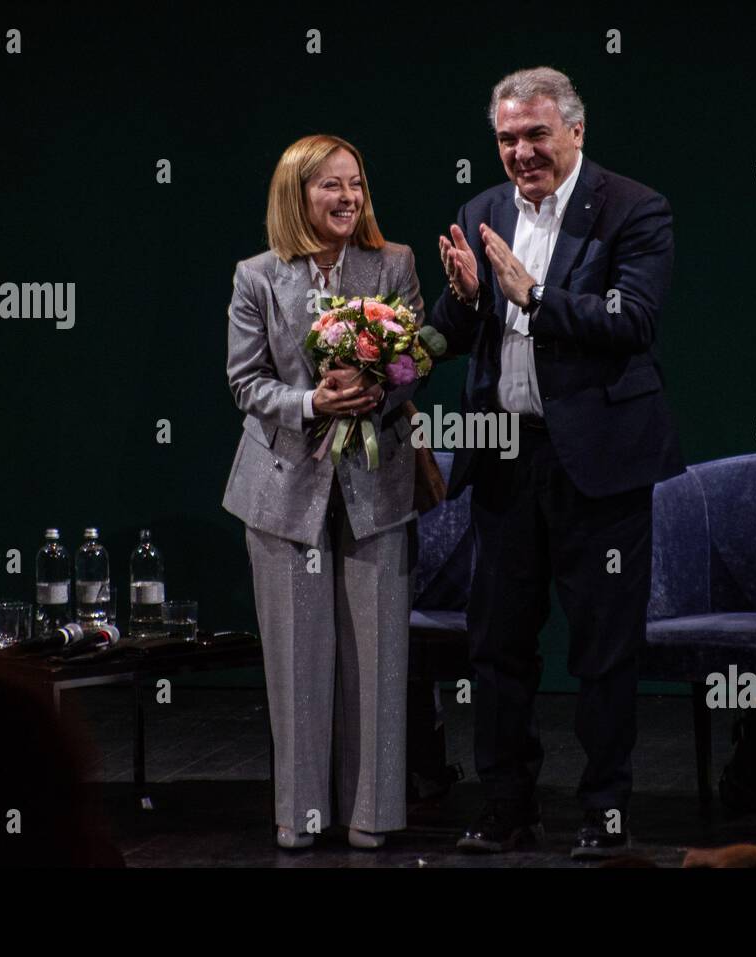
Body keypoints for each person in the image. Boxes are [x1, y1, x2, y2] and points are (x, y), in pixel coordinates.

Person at [430, 67, 684, 858]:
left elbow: (633, 320)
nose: (521, 151)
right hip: (504, 458)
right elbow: (458, 328)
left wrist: (534, 297)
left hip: (598, 465)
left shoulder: (632, 209)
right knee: (496, 645)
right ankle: (507, 807)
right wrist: (467, 300)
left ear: (576, 131)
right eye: (507, 138)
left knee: (603, 648)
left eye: (536, 134)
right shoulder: (481, 211)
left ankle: (605, 812)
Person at [222, 134, 424, 850]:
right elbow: (246, 382)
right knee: (297, 658)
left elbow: (417, 361)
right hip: (284, 488)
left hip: (376, 483)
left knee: (377, 659)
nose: (347, 199)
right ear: (295, 195)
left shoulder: (393, 263)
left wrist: (378, 385)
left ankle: (374, 813)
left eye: (356, 185)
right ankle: (302, 812)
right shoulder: (257, 277)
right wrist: (314, 403)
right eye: (330, 186)